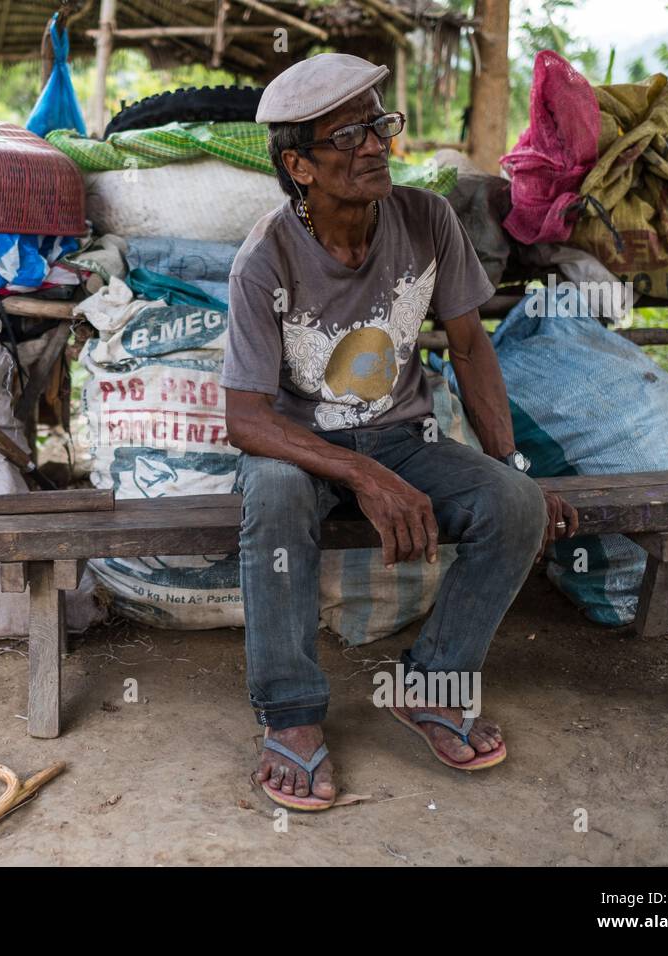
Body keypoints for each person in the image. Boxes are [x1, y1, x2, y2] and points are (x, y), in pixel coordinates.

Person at [222, 53, 578, 811]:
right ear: (299, 166)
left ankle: (431, 684)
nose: (376, 145)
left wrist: (512, 465)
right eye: (348, 134)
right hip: (300, 447)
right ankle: (291, 715)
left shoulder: (427, 218)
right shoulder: (266, 257)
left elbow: (473, 345)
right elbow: (246, 419)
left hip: (405, 439)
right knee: (277, 501)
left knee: (514, 503)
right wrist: (360, 474)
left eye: (381, 124)